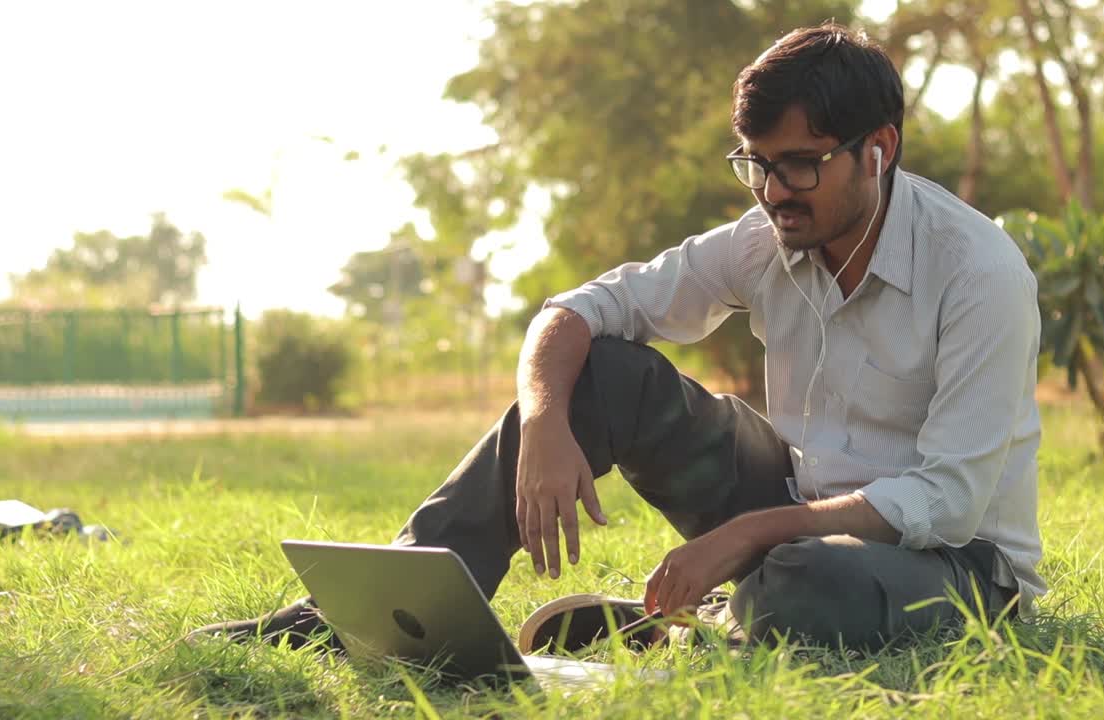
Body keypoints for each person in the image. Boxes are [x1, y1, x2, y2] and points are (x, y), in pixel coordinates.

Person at [192, 21, 1044, 654]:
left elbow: (947, 502)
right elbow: (575, 310)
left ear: (878, 151)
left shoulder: (979, 273)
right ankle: (360, 619)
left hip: (953, 565)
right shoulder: (767, 237)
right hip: (793, 494)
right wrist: (546, 427)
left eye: (799, 164)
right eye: (754, 164)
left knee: (804, 578)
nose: (773, 192)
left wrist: (751, 534)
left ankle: (673, 633)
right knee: (600, 372)